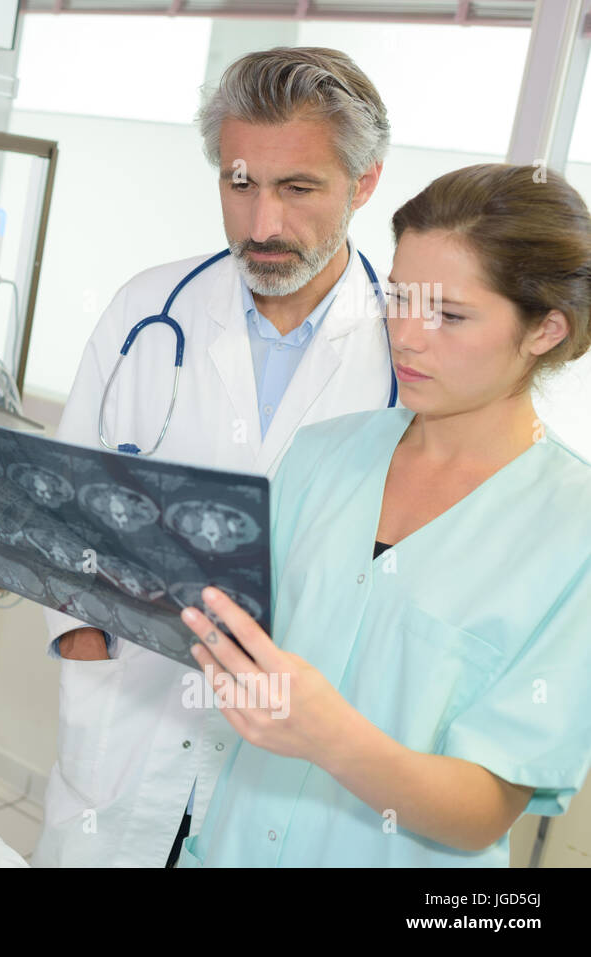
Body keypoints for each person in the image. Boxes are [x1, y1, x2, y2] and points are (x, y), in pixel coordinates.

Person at [35, 47, 395, 868]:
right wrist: (85, 641)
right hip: (126, 731)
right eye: (240, 184)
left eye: (297, 188)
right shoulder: (146, 310)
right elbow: (62, 507)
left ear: (364, 182)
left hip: (283, 769)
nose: (262, 225)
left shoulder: (404, 355)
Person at [176, 163, 591, 865]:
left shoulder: (573, 532)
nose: (407, 335)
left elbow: (483, 814)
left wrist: (330, 736)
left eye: (449, 315)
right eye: (400, 298)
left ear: (546, 329)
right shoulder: (323, 455)